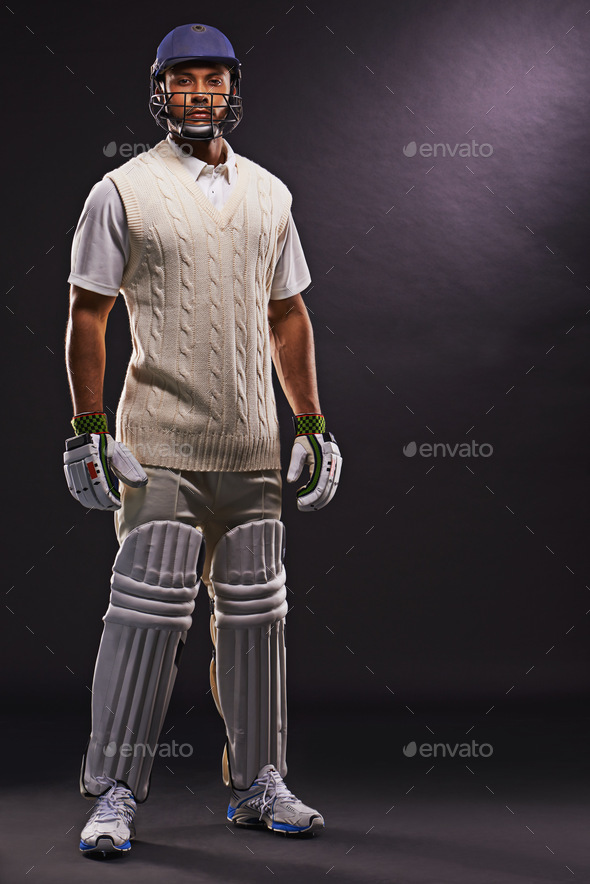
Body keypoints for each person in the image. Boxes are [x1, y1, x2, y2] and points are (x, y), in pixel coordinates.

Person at [63, 23, 342, 859]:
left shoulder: (270, 194)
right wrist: (87, 429)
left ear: (231, 89)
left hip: (253, 443)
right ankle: (114, 790)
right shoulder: (124, 190)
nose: (202, 92)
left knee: (258, 618)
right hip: (160, 442)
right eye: (186, 78)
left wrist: (312, 425)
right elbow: (88, 312)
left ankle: (260, 782)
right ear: (160, 89)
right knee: (146, 614)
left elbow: (287, 313)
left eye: (214, 78)